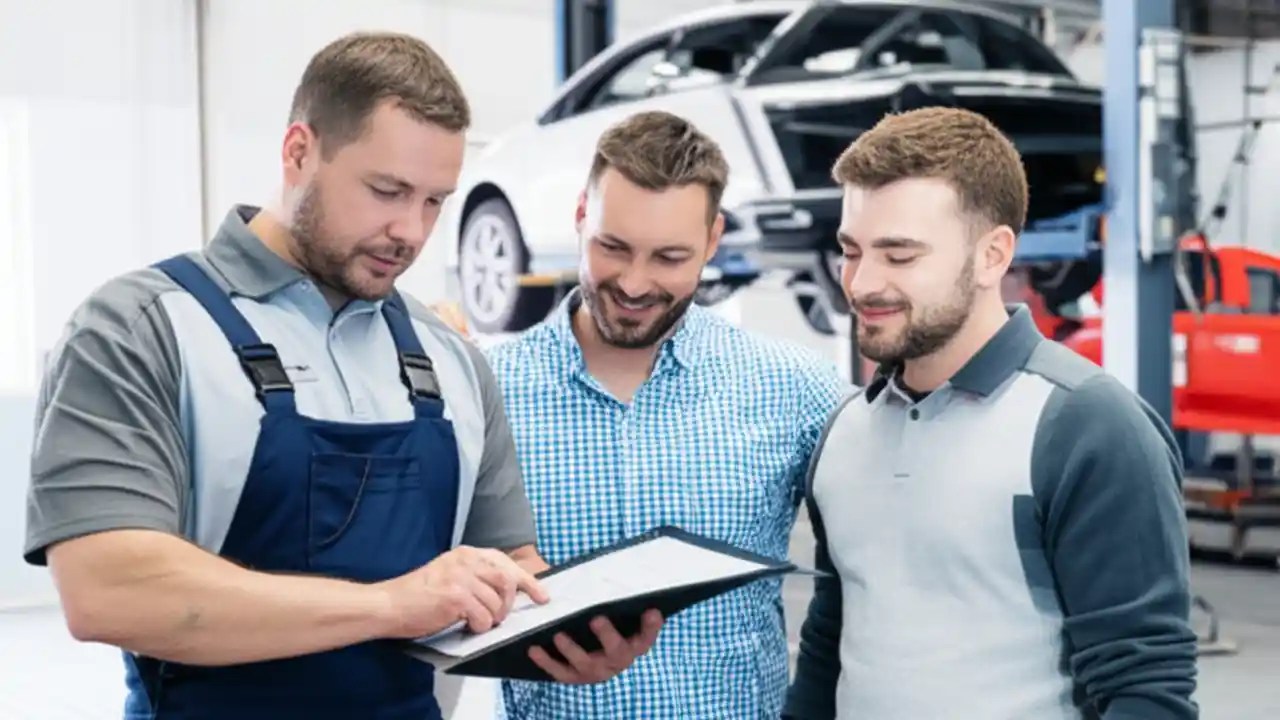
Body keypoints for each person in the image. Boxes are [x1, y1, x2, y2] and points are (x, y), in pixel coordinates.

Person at [22, 31, 661, 720]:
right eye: (387, 191)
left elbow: (509, 565)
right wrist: (391, 606)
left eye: (434, 202)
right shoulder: (140, 329)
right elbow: (109, 592)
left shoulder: (452, 360)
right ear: (300, 152)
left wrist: (564, 632)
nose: (411, 232)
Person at [783, 107, 1199, 719]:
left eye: (899, 256)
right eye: (852, 251)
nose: (863, 283)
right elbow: (829, 648)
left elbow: (1145, 687)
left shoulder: (1088, 426)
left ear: (991, 256)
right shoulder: (844, 432)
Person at [486, 110, 847, 720]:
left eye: (669, 258)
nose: (633, 283)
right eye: (613, 247)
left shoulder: (795, 387)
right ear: (580, 215)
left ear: (712, 241)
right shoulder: (488, 388)